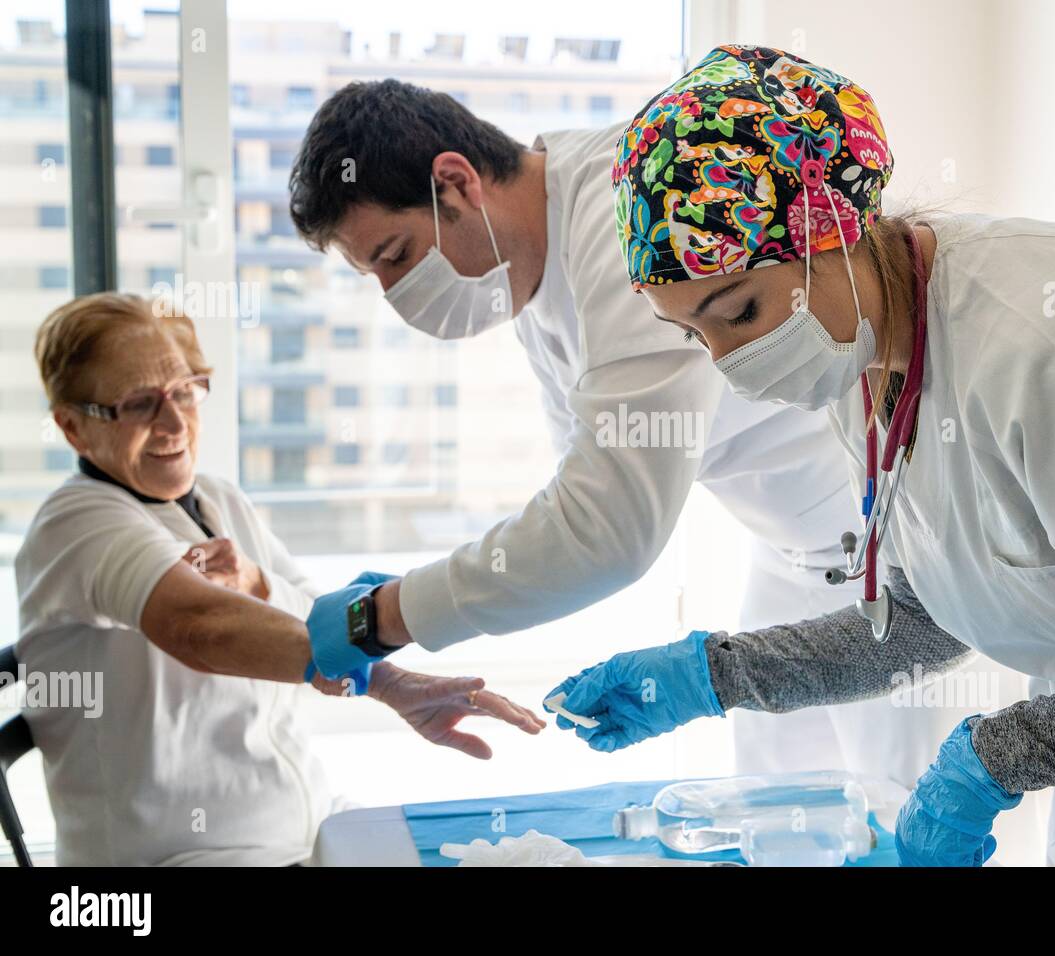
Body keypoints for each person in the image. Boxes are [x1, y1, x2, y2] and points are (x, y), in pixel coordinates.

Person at [546, 44, 1055, 866]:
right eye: (695, 333)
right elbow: (933, 612)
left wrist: (994, 758)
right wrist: (717, 674)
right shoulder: (862, 354)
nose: (728, 362)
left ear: (829, 227)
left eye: (740, 310)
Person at [286, 78, 1016, 798]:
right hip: (792, 553)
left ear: (456, 183)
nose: (393, 294)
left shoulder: (621, 219)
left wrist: (384, 615)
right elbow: (581, 491)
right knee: (774, 812)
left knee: (887, 818)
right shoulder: (535, 273)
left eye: (394, 255)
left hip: (891, 565)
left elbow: (606, 529)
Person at [15, 293, 543, 866]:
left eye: (186, 390)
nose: (174, 422)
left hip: (307, 826)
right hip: (177, 860)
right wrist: (386, 680)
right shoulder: (77, 524)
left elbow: (313, 611)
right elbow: (199, 628)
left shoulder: (218, 499)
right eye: (140, 404)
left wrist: (258, 584)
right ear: (72, 427)